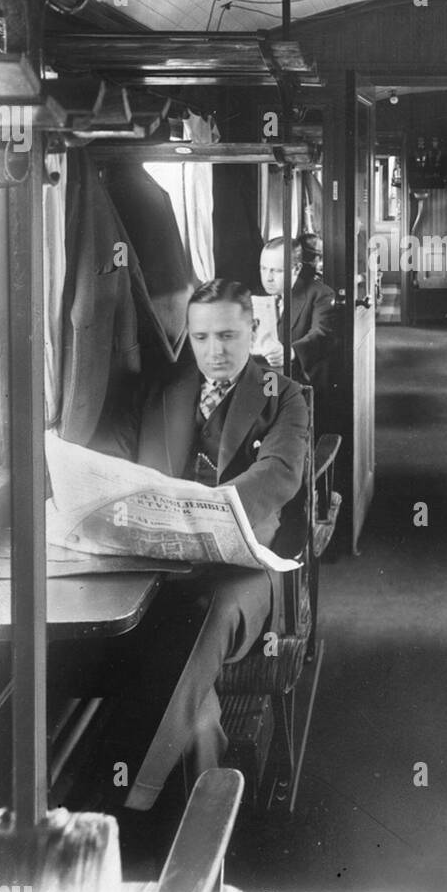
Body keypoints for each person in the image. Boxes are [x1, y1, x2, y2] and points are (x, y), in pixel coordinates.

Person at [92, 278, 310, 813]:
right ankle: (202, 819)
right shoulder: (156, 391)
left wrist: (199, 509)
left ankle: (129, 799)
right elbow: (109, 461)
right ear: (188, 337)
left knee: (209, 616)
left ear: (253, 331)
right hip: (159, 563)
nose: (216, 352)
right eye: (202, 338)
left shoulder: (284, 396)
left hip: (243, 570)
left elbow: (279, 474)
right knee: (199, 710)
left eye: (230, 337)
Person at [255, 236, 337, 393]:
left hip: (299, 383)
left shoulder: (320, 294)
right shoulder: (256, 295)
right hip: (263, 380)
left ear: (297, 269)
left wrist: (290, 352)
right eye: (263, 268)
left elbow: (321, 334)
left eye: (277, 270)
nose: (268, 278)